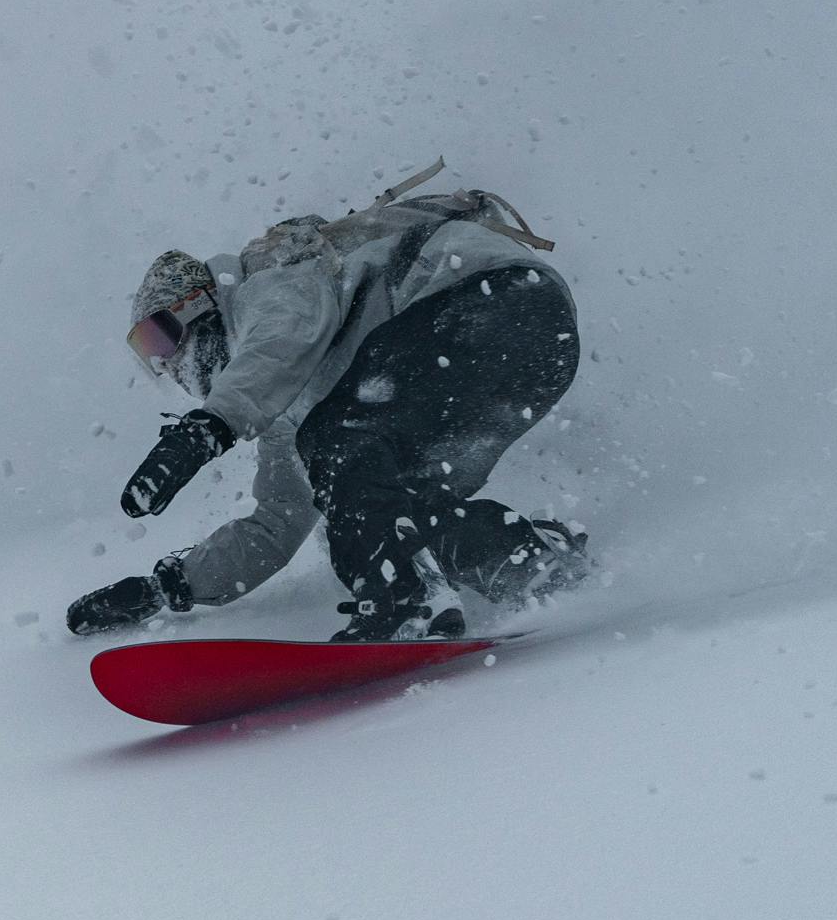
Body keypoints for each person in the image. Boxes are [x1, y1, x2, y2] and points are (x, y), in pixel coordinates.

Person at [66, 169, 592, 643]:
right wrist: (169, 586)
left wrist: (204, 430)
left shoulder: (267, 281)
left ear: (198, 303)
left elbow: (282, 339)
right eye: (149, 358)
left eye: (160, 338)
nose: (167, 364)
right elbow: (278, 521)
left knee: (337, 442)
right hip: (535, 348)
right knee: (394, 503)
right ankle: (528, 562)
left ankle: (406, 603)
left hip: (484, 301)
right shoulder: (288, 406)